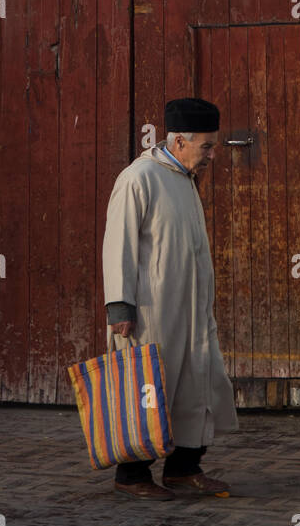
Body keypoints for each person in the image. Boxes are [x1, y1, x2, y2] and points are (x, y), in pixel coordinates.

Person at [102, 97, 238, 499]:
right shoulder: (139, 178)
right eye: (207, 147)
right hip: (150, 313)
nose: (212, 155)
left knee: (200, 384)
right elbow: (118, 246)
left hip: (192, 311)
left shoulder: (183, 179)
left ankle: (183, 468)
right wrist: (120, 307)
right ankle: (132, 476)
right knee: (148, 390)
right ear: (179, 142)